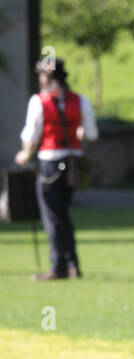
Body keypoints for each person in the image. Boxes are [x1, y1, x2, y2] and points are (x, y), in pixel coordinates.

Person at [14, 56, 98, 280]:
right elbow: (91, 134)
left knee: (52, 216)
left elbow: (31, 137)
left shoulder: (39, 101)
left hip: (50, 162)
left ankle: (59, 265)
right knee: (62, 214)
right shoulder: (80, 101)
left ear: (47, 77)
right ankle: (72, 264)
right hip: (74, 164)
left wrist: (25, 154)